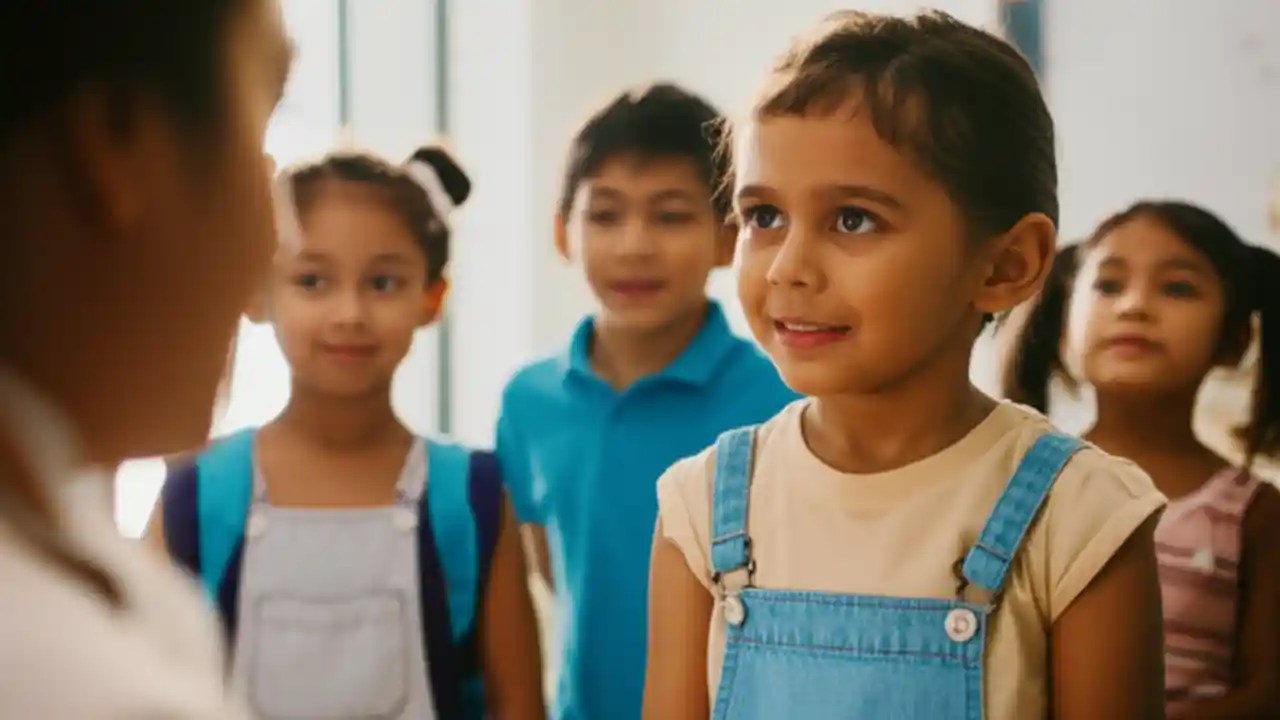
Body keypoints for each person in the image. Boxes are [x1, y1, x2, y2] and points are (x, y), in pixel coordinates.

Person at [644, 11, 1167, 720]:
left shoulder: (1079, 517)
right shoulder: (701, 508)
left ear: (1007, 264)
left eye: (852, 219)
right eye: (764, 216)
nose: (790, 269)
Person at [150, 148, 545, 719]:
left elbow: (518, 704)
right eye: (312, 281)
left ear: (433, 297)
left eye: (383, 282)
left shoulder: (474, 496)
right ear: (257, 295)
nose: (349, 313)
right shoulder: (196, 494)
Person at [0, 0, 291, 716]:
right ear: (118, 136)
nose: (270, 246)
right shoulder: (78, 687)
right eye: (259, 124)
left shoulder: (70, 537)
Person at [496, 83, 797, 719]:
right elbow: (550, 570)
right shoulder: (530, 403)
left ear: (728, 238)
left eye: (670, 215)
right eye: (605, 215)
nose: (635, 244)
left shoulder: (782, 399)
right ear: (561, 233)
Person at [1004, 201, 1280, 718]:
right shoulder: (1011, 479)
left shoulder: (1256, 512)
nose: (1134, 306)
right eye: (1108, 285)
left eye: (1177, 288)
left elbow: (1268, 692)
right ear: (1065, 328)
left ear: (1234, 339)